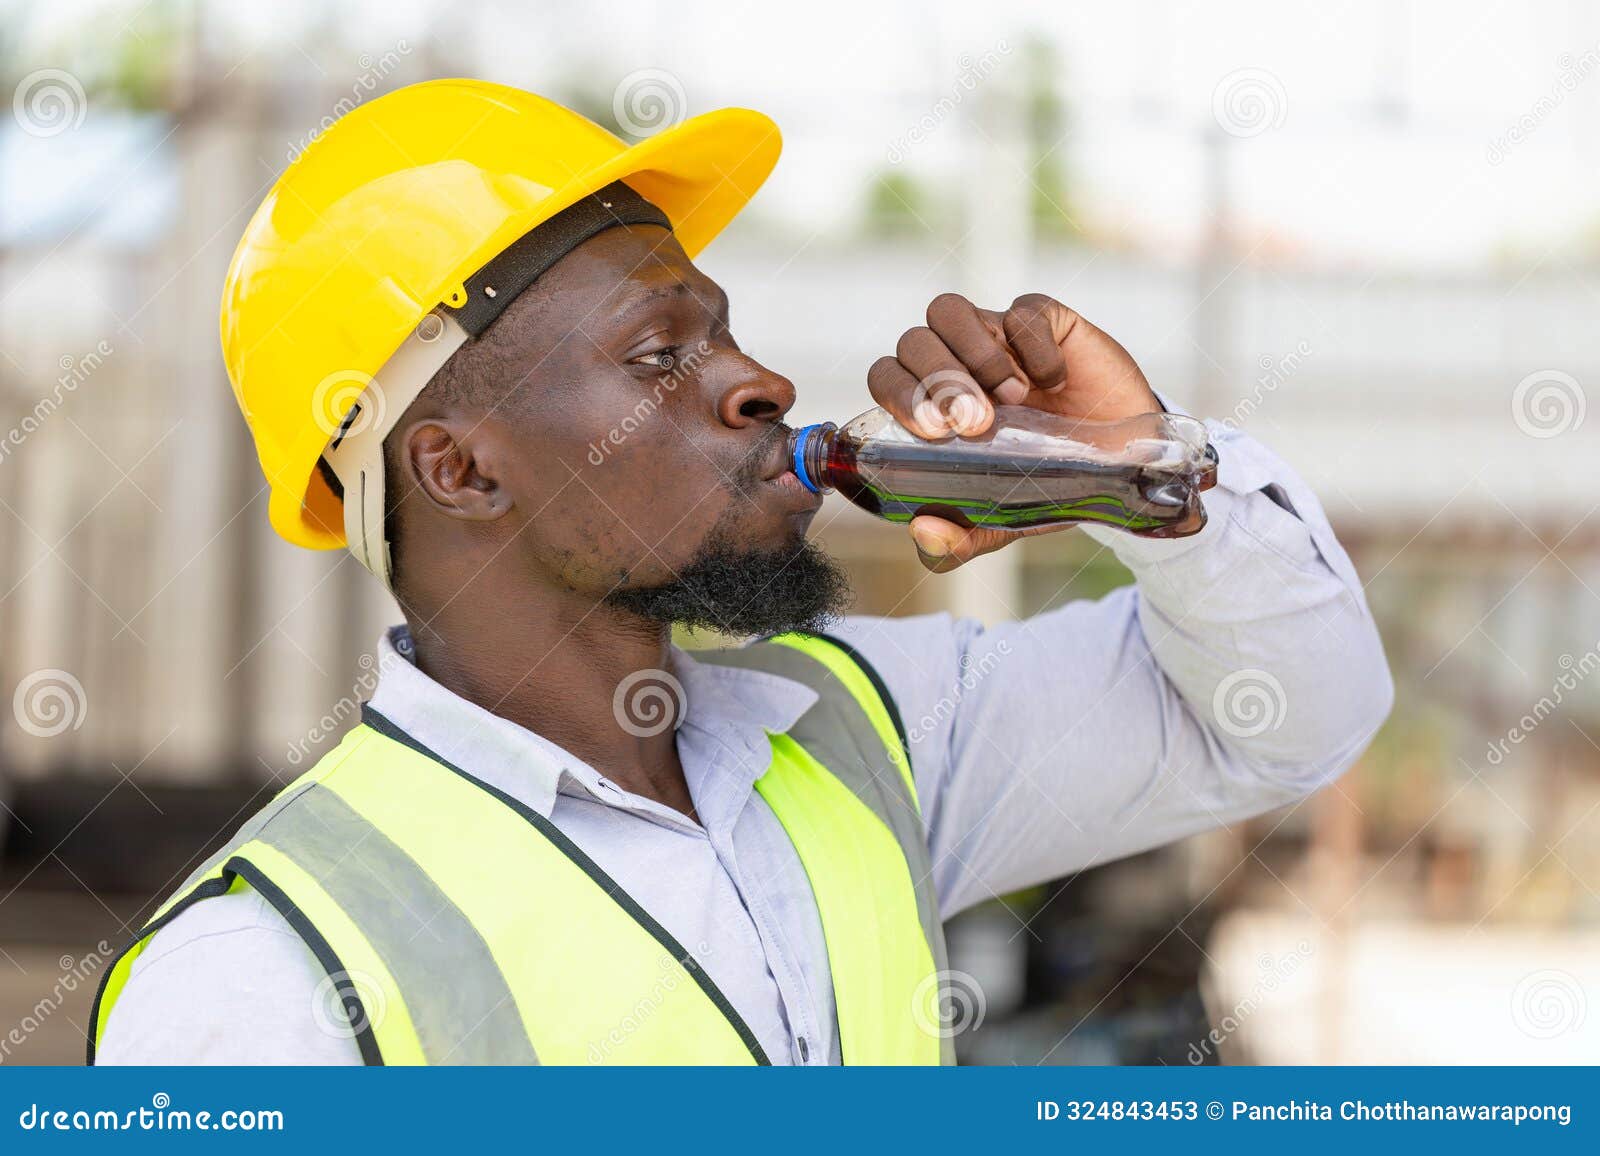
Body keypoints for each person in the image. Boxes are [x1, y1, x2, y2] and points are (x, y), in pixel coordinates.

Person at [90, 80, 1391, 1066]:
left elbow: (1291, 715)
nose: (758, 381)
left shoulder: (862, 730)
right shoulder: (256, 981)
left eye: (719, 326)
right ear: (461, 471)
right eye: (659, 352)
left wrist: (1138, 470)